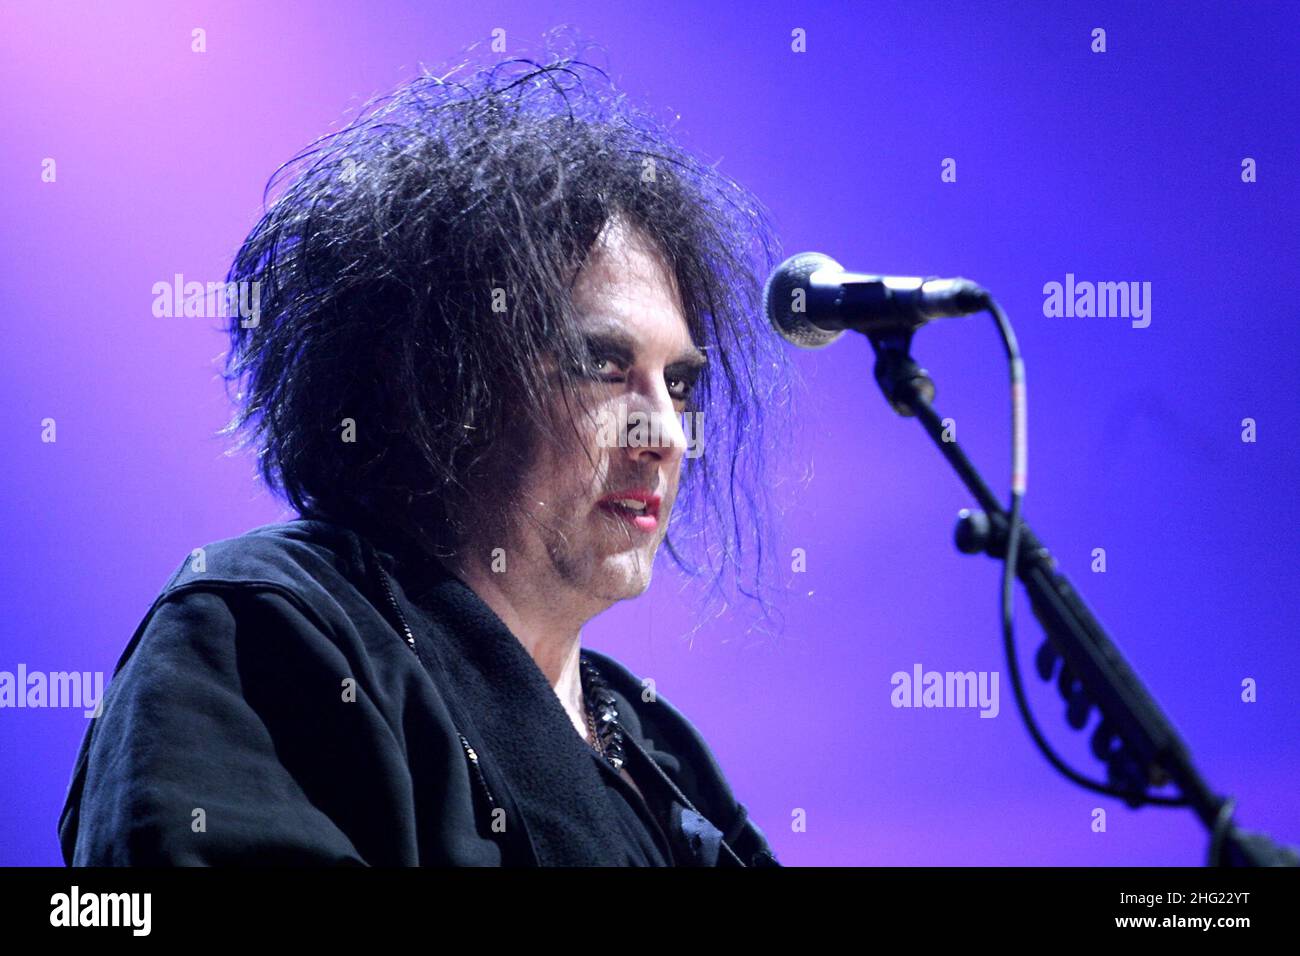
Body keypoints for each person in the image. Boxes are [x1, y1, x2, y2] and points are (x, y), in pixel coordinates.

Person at [59, 40, 792, 866]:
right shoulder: (263, 632)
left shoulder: (661, 755)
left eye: (680, 384)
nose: (663, 434)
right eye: (602, 368)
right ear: (441, 384)